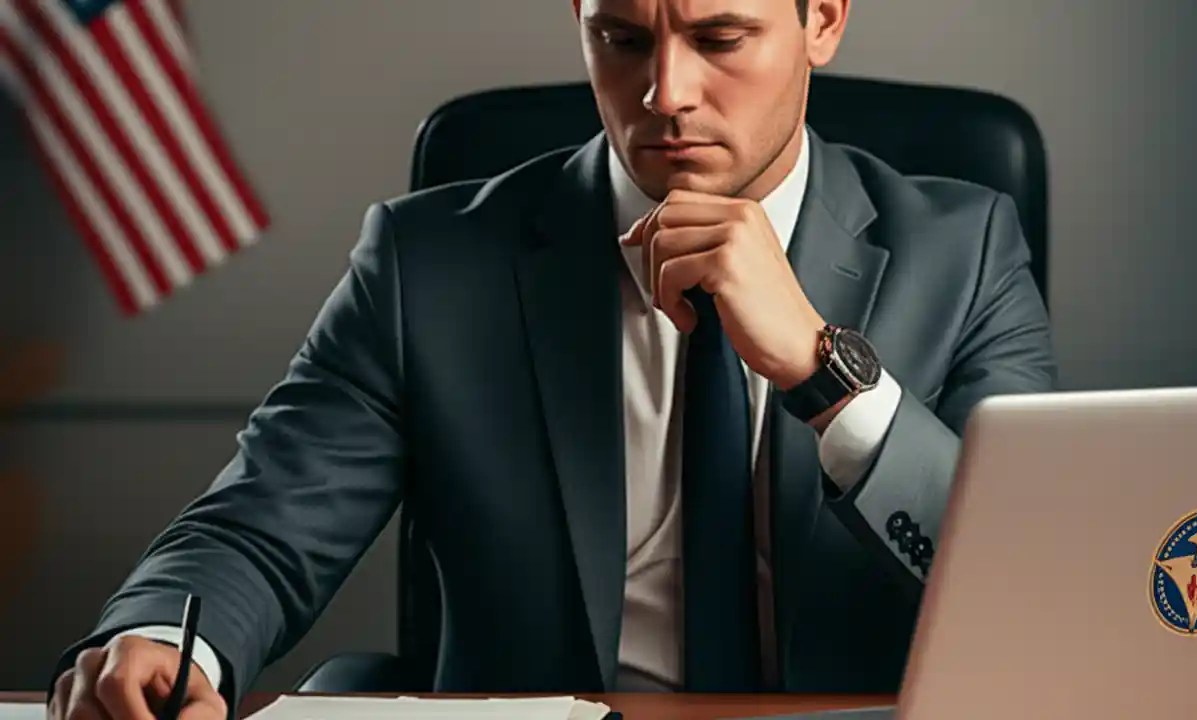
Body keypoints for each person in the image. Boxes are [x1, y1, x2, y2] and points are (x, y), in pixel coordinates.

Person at [47, 0, 1056, 717]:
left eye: (719, 38)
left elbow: (1030, 581)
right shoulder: (426, 265)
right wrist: (155, 638)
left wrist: (819, 370)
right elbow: (262, 527)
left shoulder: (964, 252)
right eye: (621, 39)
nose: (665, 92)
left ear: (822, 20)